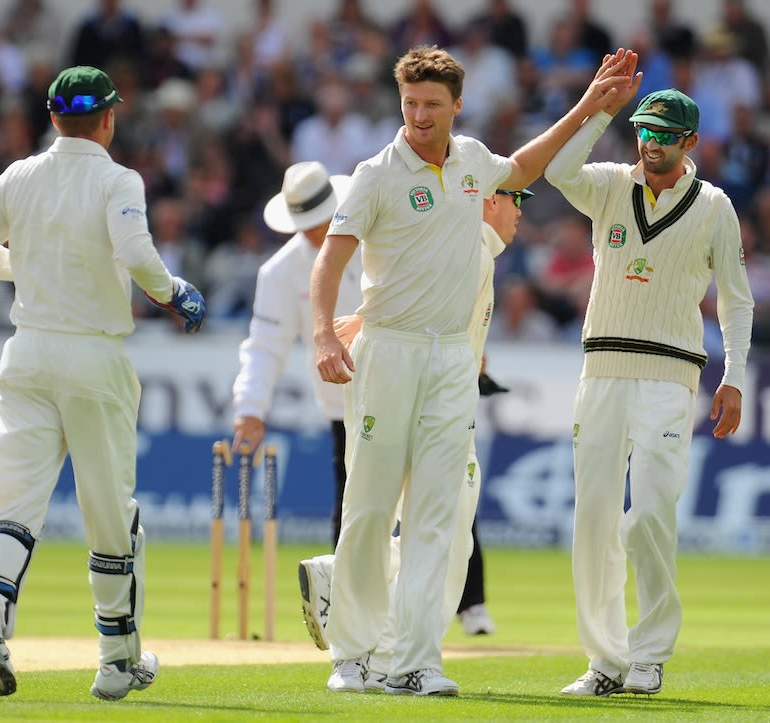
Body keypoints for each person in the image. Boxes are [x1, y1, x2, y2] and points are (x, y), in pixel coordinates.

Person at [310, 44, 638, 696]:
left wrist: (589, 107)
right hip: (391, 348)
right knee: (370, 505)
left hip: (452, 359)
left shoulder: (473, 162)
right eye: (410, 103)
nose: (419, 115)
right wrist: (322, 330)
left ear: (456, 105)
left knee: (438, 512)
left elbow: (525, 166)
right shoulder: (376, 173)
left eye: (432, 104)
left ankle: (416, 659)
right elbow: (331, 260)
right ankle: (352, 654)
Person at [0, 65, 206, 700]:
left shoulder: (19, 174)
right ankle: (117, 661)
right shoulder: (119, 178)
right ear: (109, 118)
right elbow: (139, 255)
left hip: (28, 353)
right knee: (109, 513)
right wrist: (174, 292)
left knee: (12, 504)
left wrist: (34, 272)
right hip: (93, 358)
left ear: (52, 116)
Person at [545, 87, 754, 697]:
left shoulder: (714, 206)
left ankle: (649, 654)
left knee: (651, 517)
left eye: (663, 134)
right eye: (643, 130)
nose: (650, 143)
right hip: (603, 370)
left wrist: (734, 375)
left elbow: (737, 300)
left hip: (670, 376)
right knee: (596, 520)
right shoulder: (609, 183)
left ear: (690, 142)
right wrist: (600, 109)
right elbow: (558, 171)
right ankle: (604, 662)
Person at [299, 188, 535, 664]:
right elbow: (412, 290)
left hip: (433, 396)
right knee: (440, 531)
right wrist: (367, 321)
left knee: (427, 526)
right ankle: (387, 651)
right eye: (514, 200)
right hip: (424, 403)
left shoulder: (477, 250)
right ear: (489, 201)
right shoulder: (468, 246)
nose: (520, 213)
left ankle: (349, 592)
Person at [232, 160, 361, 546]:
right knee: (353, 505)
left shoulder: (377, 236)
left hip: (406, 383)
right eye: (305, 224)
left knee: (442, 494)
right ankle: (345, 604)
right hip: (346, 400)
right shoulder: (280, 272)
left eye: (319, 221)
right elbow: (265, 346)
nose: (312, 233)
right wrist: (250, 408)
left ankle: (471, 606)